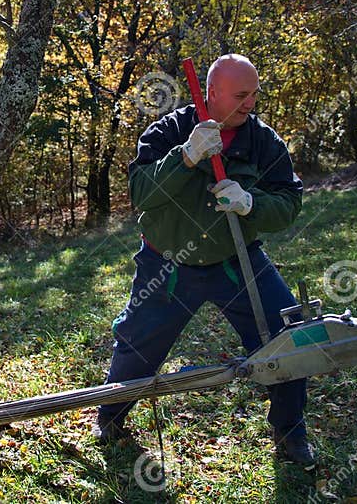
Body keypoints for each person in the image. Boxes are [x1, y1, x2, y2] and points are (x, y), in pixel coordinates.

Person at [92, 54, 314, 467]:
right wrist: (186, 157)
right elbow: (141, 192)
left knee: (286, 339)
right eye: (241, 95)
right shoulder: (168, 131)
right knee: (137, 345)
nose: (250, 104)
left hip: (236, 261)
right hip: (168, 265)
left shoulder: (263, 142)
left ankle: (290, 432)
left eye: (254, 94)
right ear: (211, 93)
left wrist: (250, 203)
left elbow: (289, 202)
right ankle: (111, 417)